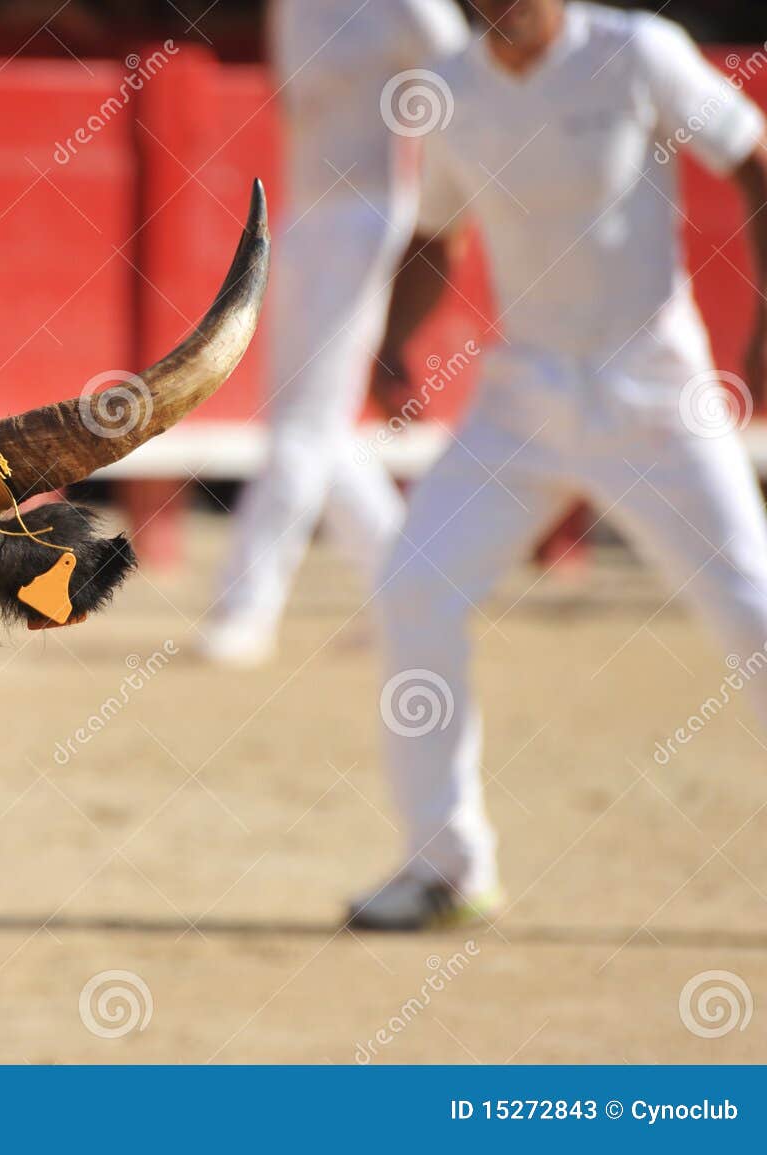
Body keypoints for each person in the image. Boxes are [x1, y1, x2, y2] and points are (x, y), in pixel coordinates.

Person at [350, 0, 767, 929]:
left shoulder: (637, 53)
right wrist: (393, 344)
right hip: (524, 395)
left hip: (658, 387)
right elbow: (438, 229)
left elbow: (753, 159)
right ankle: (446, 865)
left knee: (756, 608)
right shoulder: (452, 87)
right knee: (415, 587)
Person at [202, 0, 470, 666]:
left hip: (368, 220)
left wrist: (446, 202)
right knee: (312, 427)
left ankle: (246, 607)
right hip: (305, 220)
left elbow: (469, 84)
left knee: (303, 428)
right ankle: (413, 595)